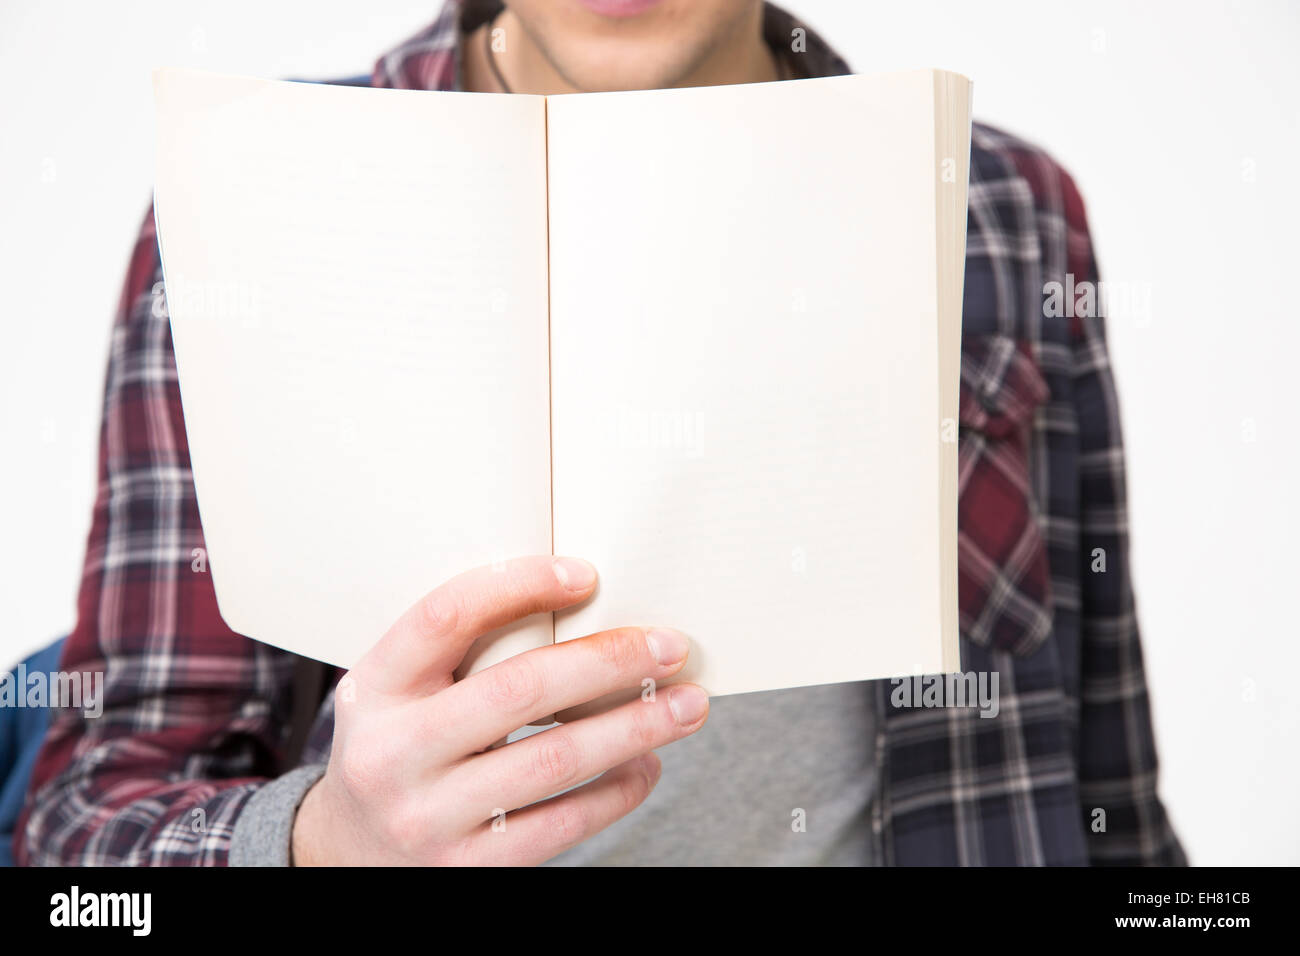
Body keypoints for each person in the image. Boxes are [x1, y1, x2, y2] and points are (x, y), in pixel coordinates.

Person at [16, 0, 1185, 866]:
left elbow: (1115, 803)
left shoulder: (1007, 211)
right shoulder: (254, 202)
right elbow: (82, 844)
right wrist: (325, 839)